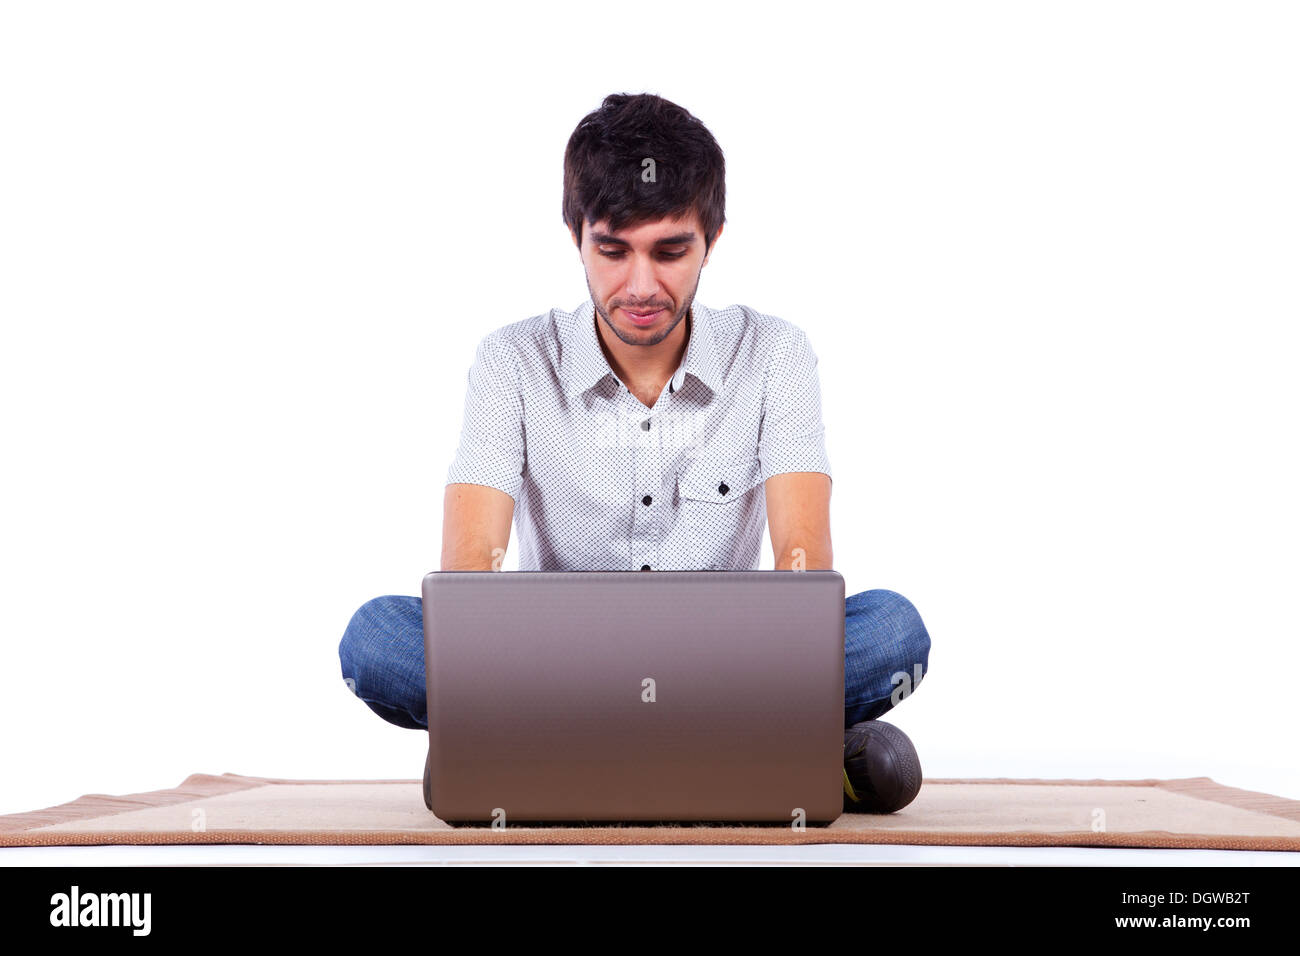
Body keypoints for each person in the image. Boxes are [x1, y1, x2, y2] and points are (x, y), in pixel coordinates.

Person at [339, 92, 932, 815]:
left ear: (712, 238)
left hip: (721, 670)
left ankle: (527, 755)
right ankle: (771, 754)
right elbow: (470, 574)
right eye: (613, 251)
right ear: (575, 236)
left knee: (893, 630)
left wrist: (778, 665)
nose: (641, 286)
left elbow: (804, 565)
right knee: (377, 640)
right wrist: (484, 675)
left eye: (671, 251)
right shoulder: (512, 361)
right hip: (557, 675)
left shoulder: (775, 354)